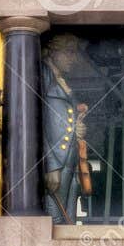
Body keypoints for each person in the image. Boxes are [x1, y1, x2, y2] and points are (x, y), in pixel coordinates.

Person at [41, 34, 86, 223]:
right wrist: (50, 165)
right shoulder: (42, 74)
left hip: (69, 161)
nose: (74, 59)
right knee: (55, 221)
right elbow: (37, 123)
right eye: (69, 52)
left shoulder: (60, 80)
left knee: (68, 223)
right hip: (56, 163)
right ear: (52, 50)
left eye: (74, 53)